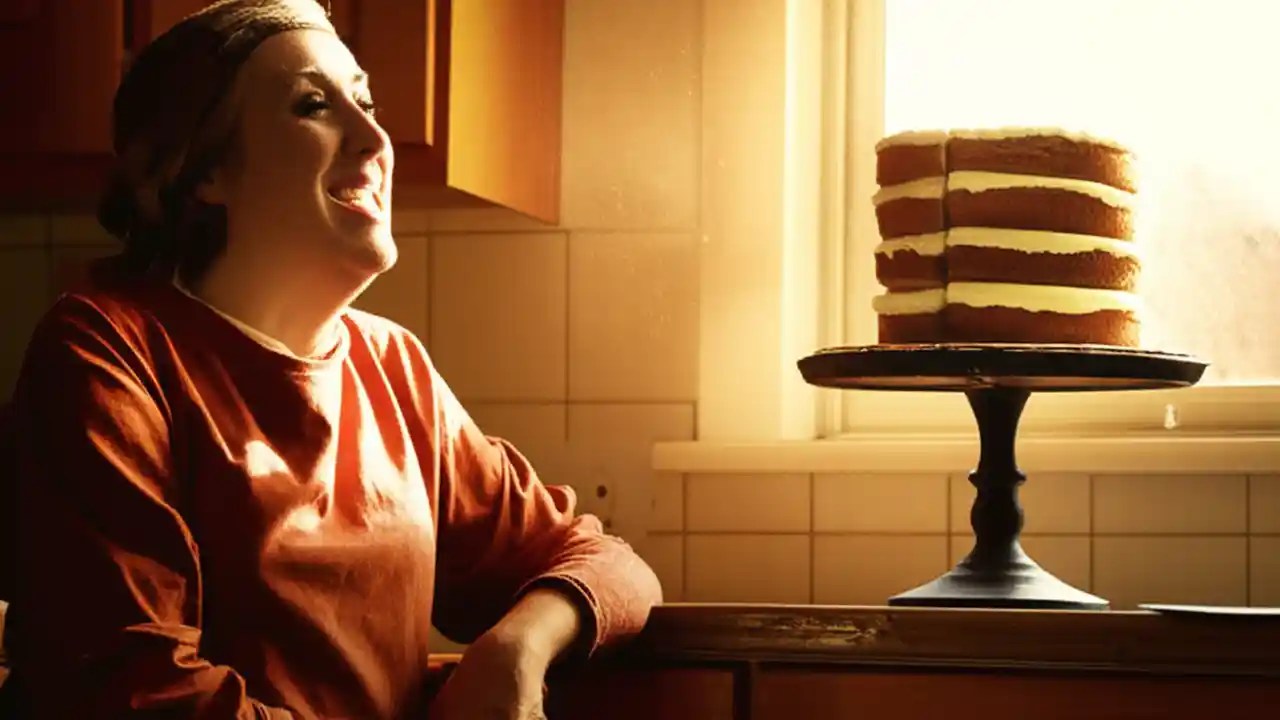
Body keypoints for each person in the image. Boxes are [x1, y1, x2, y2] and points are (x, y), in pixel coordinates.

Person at [4, 0, 662, 717]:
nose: (375, 137)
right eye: (314, 105)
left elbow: (607, 565)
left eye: (368, 100)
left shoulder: (392, 365)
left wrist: (517, 648)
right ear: (204, 171)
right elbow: (138, 691)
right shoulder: (107, 353)